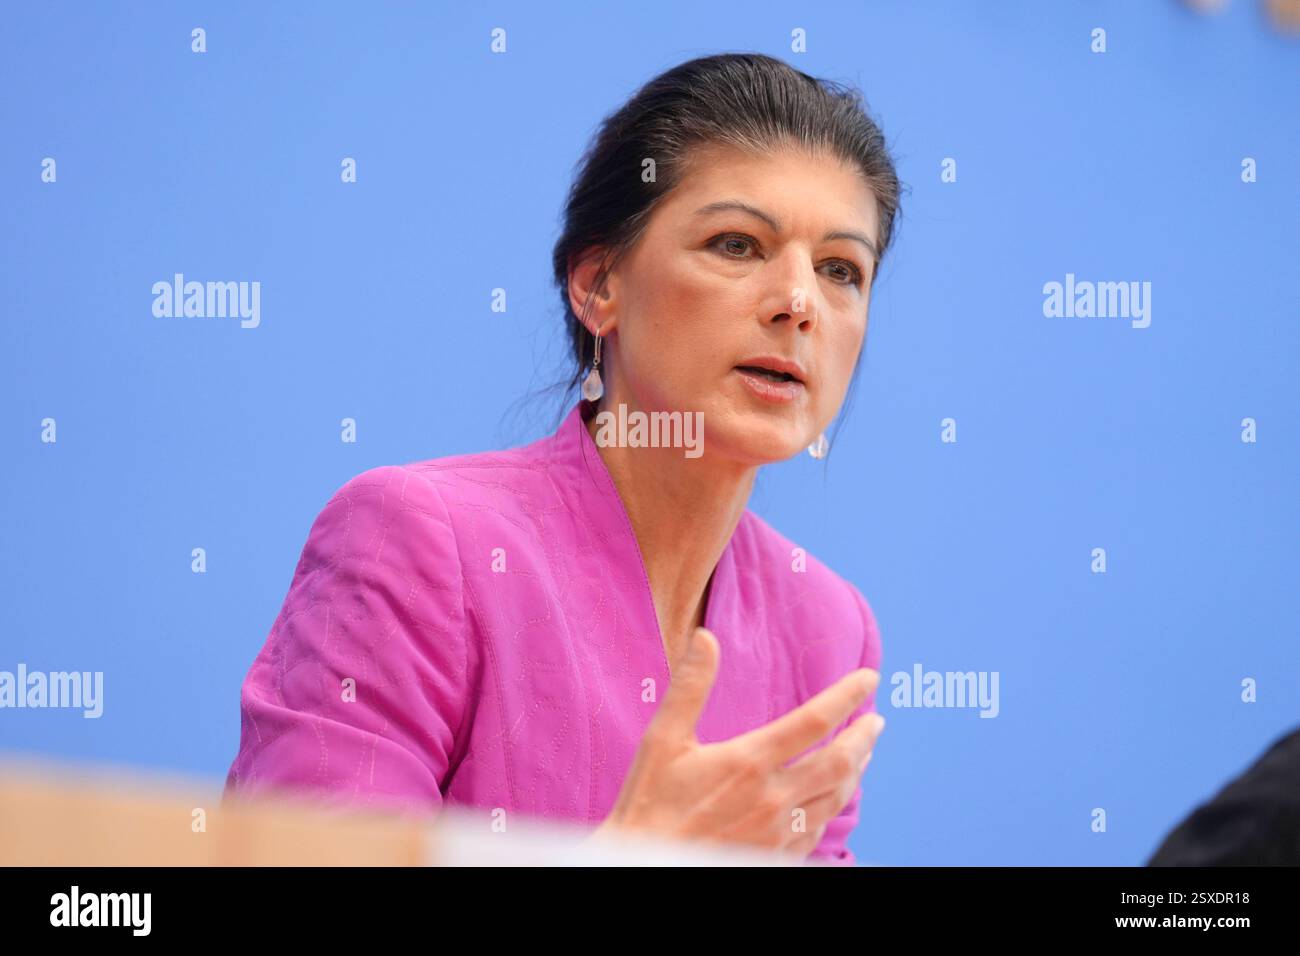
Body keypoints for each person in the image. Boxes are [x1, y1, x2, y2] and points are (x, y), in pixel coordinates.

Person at [223, 52, 900, 865]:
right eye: (737, 244)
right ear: (597, 286)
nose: (799, 302)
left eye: (840, 270)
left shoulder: (827, 634)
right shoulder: (415, 541)